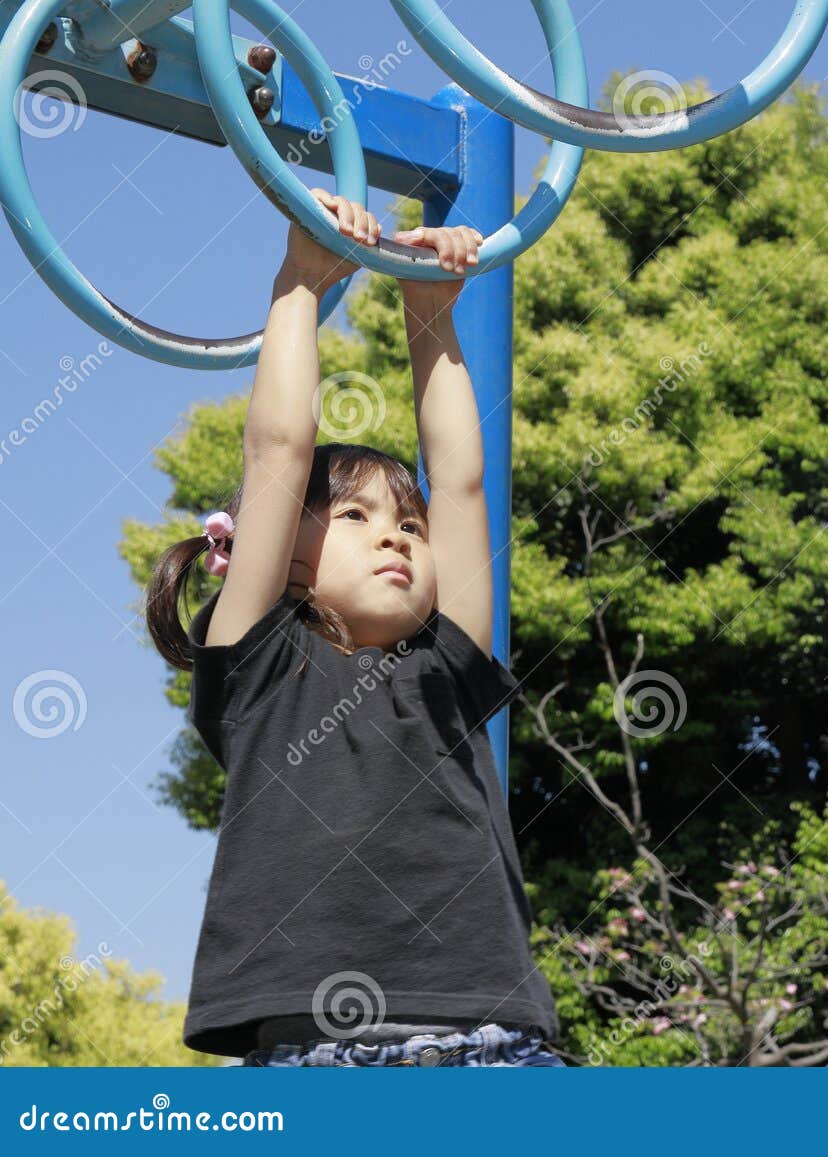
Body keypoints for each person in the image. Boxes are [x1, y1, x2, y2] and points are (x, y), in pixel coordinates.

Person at [144, 189, 563, 1068]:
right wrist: (303, 276)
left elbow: (459, 481)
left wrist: (431, 314)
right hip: (313, 1047)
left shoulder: (444, 667)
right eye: (356, 517)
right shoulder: (260, 671)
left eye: (406, 526)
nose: (395, 535)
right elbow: (280, 448)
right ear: (279, 547)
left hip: (486, 1039)